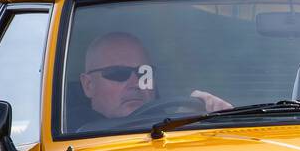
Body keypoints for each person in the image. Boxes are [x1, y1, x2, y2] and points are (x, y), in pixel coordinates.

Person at [78, 32, 232, 120]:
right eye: (118, 73)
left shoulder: (171, 125)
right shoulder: (66, 137)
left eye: (144, 73)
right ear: (88, 85)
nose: (136, 83)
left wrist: (201, 113)